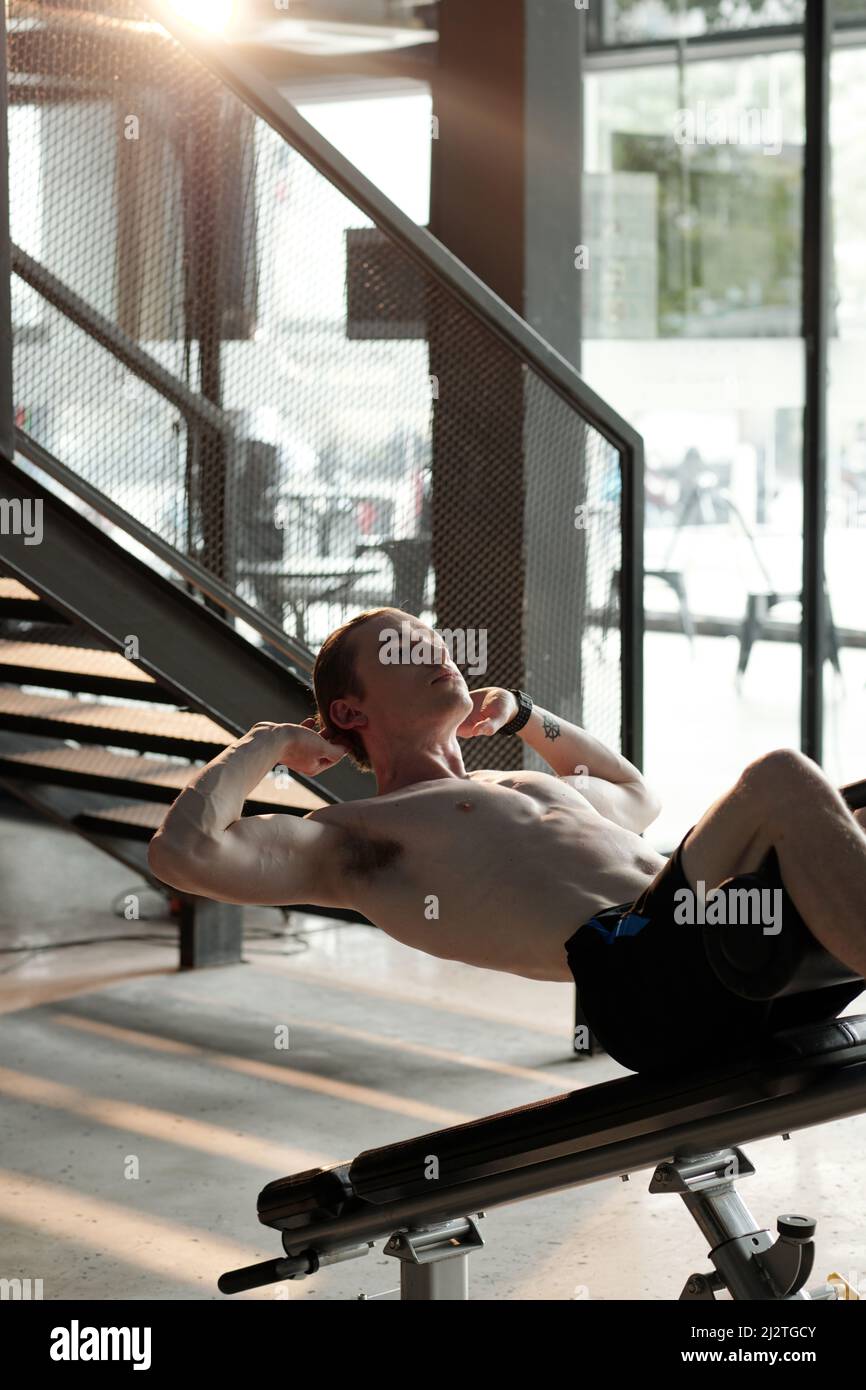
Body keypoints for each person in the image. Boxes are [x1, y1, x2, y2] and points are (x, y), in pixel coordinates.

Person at [148, 608, 866, 1073]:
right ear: (348, 709)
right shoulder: (356, 839)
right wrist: (268, 742)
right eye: (403, 648)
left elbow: (636, 798)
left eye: (434, 636)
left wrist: (527, 716)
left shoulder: (524, 785)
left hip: (737, 948)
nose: (435, 648)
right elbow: (183, 853)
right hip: (647, 981)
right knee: (778, 777)